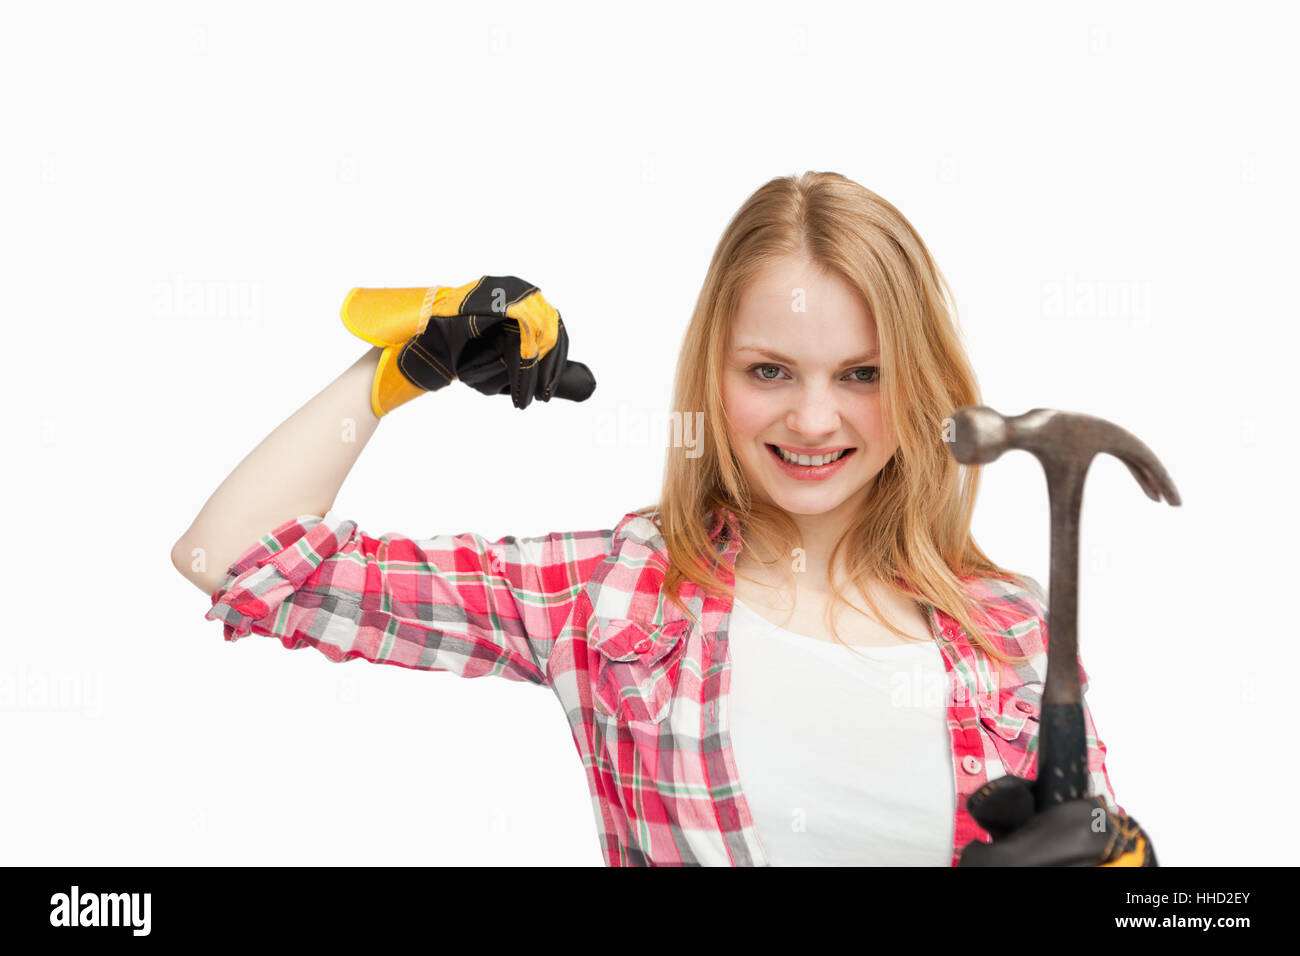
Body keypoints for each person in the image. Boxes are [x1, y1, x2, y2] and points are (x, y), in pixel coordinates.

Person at [172, 170, 1155, 867]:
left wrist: (1134, 875)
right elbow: (234, 557)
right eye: (769, 369)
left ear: (921, 382)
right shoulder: (611, 597)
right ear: (711, 376)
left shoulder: (1009, 629)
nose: (814, 418)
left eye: (862, 374)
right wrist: (388, 378)